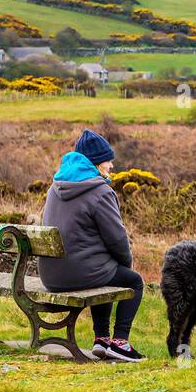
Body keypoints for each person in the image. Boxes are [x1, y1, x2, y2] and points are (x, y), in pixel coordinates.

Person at [39, 129, 145, 362]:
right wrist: (125, 263)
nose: (112, 166)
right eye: (108, 160)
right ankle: (120, 342)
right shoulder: (100, 191)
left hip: (51, 276)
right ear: (96, 163)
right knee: (133, 281)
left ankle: (101, 340)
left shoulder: (55, 186)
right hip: (82, 274)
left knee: (104, 269)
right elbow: (117, 239)